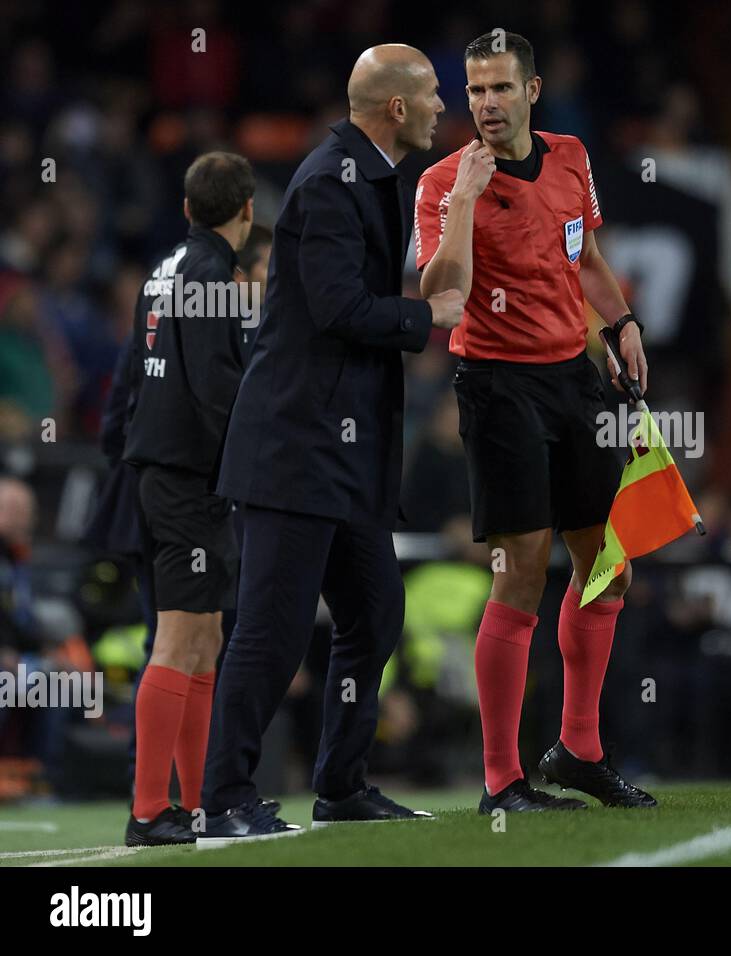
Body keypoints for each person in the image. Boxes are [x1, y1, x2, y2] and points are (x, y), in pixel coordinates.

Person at [199, 44, 465, 845]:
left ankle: (342, 785)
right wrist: (428, 317)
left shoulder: (366, 175)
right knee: (271, 631)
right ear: (394, 108)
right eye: (428, 97)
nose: (438, 109)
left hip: (339, 455)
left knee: (376, 613)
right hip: (294, 448)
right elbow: (339, 308)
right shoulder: (327, 181)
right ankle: (224, 798)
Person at [416, 30, 655, 812]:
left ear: (532, 90)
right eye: (474, 90)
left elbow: (584, 258)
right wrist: (465, 204)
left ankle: (579, 751)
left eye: (498, 88)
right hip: (497, 385)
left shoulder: (572, 157)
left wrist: (621, 324)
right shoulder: (442, 182)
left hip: (573, 377)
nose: (484, 104)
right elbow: (439, 293)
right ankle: (499, 780)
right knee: (518, 576)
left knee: (608, 568)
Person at [120, 152, 255, 846]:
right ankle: (148, 812)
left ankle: (198, 805)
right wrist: (258, 445)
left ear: (186, 210)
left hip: (168, 473)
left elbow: (137, 374)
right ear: (248, 211)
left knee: (206, 640)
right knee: (179, 640)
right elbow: (212, 383)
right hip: (186, 478)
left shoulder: (165, 268)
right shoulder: (216, 276)